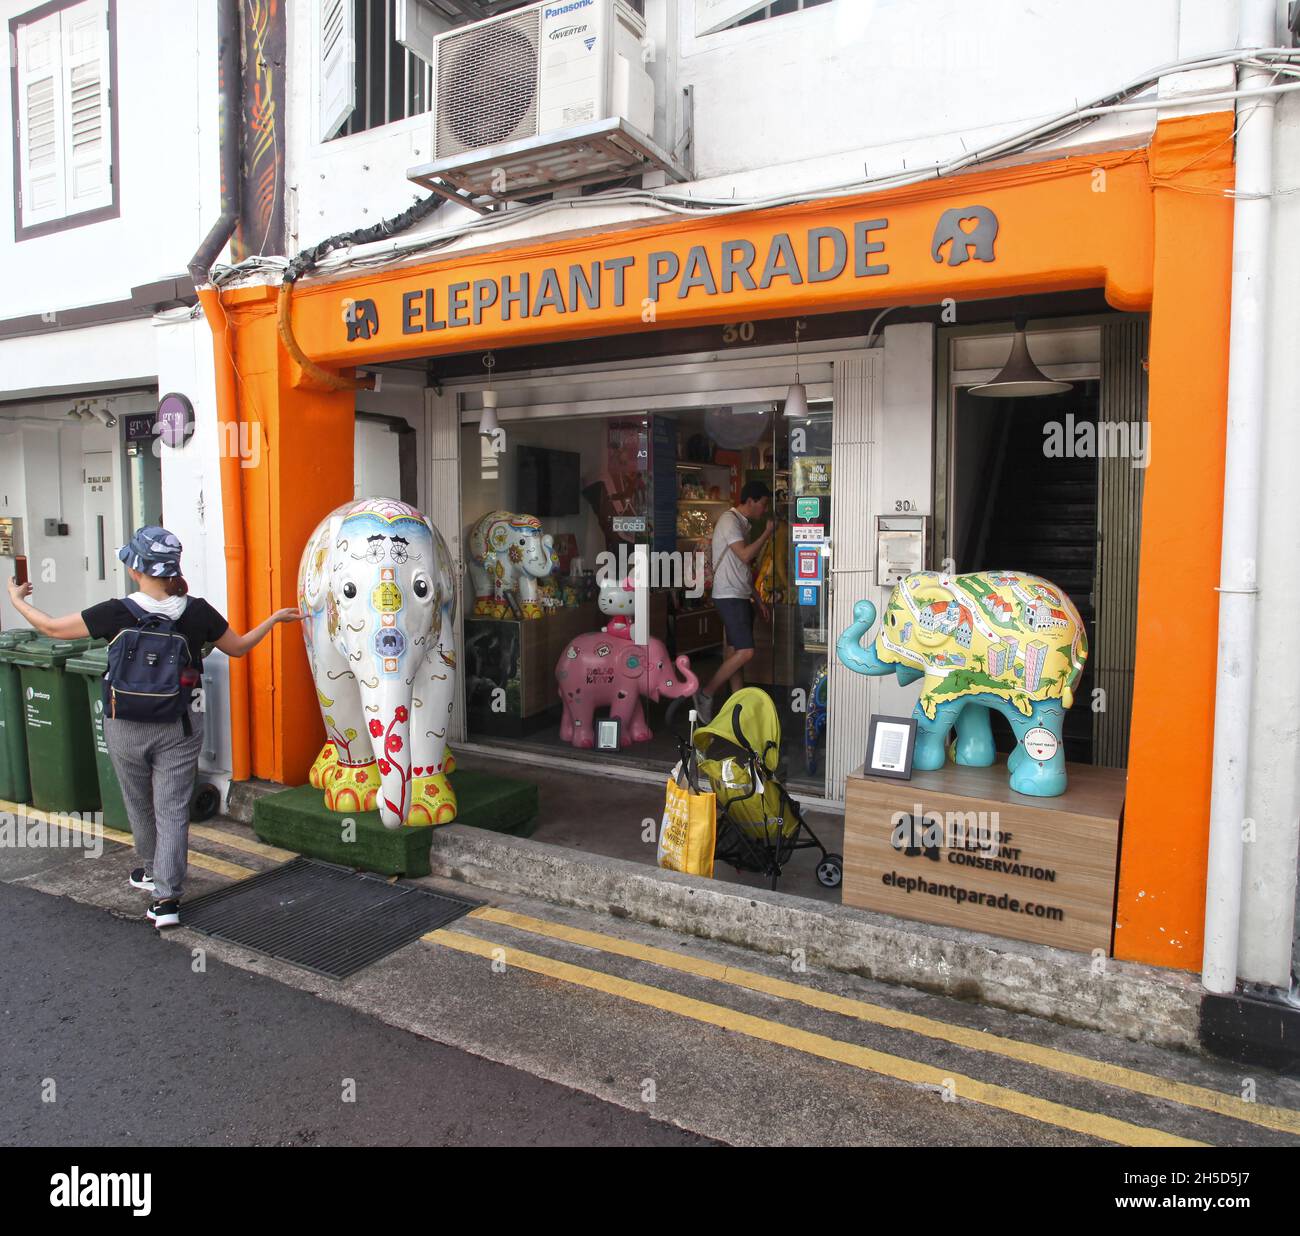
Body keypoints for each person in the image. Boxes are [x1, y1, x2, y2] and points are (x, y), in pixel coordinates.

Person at [6, 526, 302, 930]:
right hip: (179, 725)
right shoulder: (196, 611)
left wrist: (15, 600)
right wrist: (273, 619)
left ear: (135, 568)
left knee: (139, 802)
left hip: (124, 724)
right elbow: (238, 647)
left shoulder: (116, 611)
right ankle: (166, 898)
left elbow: (52, 629)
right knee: (172, 807)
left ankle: (149, 870)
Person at [694, 480, 774, 724]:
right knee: (746, 651)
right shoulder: (730, 521)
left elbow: (742, 567)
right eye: (762, 504)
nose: (763, 509)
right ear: (750, 501)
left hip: (739, 593)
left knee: (734, 653)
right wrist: (767, 533)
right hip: (729, 595)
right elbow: (745, 555)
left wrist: (757, 597)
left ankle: (736, 709)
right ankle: (706, 693)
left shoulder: (742, 523)